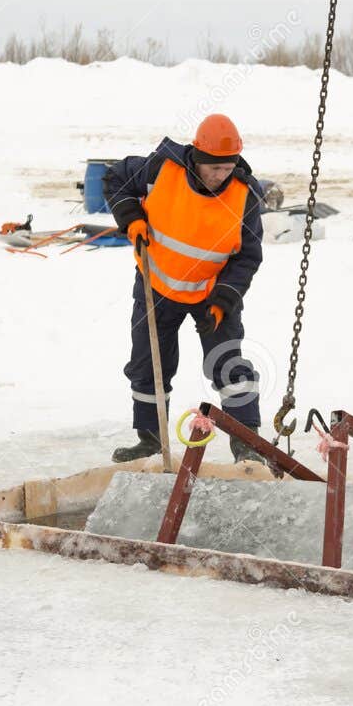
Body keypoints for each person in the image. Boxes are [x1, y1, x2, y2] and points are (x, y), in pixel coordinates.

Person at [104, 114, 265, 464]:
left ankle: (247, 442)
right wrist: (131, 218)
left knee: (228, 366)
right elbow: (115, 177)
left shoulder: (245, 196)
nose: (219, 177)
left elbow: (248, 257)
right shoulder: (162, 168)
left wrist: (224, 300)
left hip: (212, 292)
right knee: (149, 365)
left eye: (227, 169)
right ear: (195, 158)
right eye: (213, 169)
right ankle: (150, 439)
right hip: (157, 283)